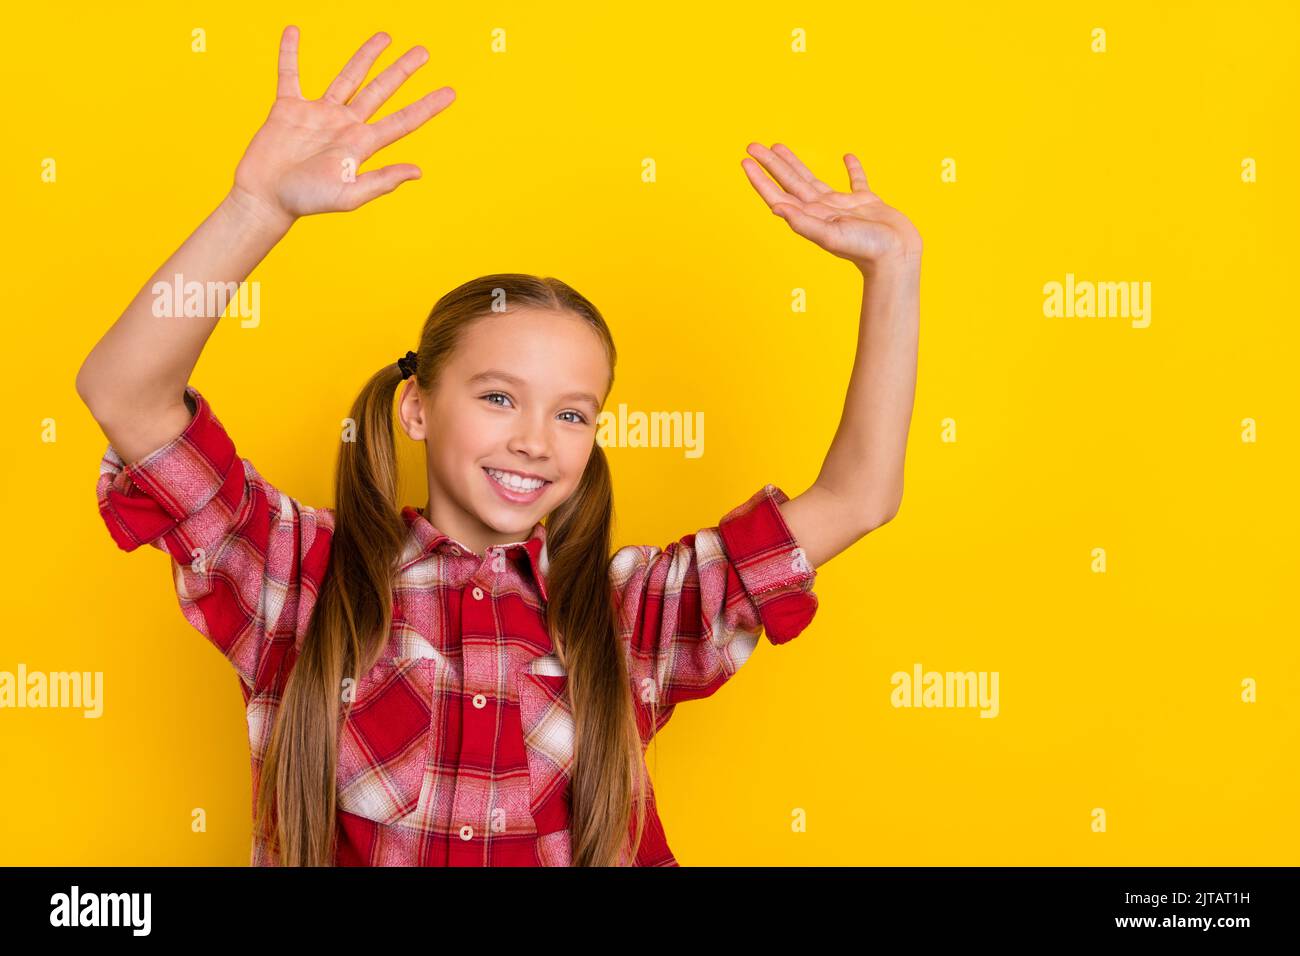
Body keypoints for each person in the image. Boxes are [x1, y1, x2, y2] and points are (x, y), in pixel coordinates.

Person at [76, 25, 922, 867]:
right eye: (497, 397)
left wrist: (895, 271)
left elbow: (859, 498)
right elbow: (124, 394)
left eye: (571, 415)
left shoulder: (627, 615)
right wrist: (255, 209)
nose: (533, 441)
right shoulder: (298, 579)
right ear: (416, 409)